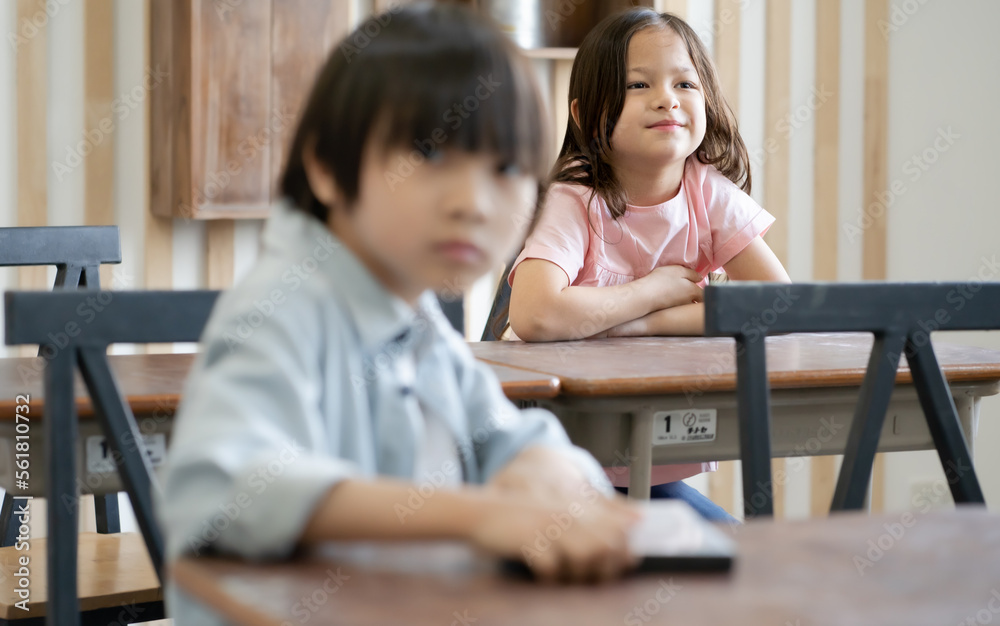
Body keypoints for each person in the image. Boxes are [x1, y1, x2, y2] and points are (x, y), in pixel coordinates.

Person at [158, 5, 640, 622]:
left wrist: (541, 464)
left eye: (506, 169)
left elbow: (501, 433)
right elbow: (230, 488)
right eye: (431, 155)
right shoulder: (282, 305)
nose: (472, 202)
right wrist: (485, 517)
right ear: (327, 169)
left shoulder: (410, 317)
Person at [507, 8, 791, 519]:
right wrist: (657, 290)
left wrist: (634, 323)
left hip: (643, 454)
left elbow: (777, 307)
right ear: (587, 115)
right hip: (549, 468)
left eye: (685, 82)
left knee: (731, 557)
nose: (667, 98)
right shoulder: (576, 199)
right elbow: (535, 314)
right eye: (639, 84)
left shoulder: (707, 192)